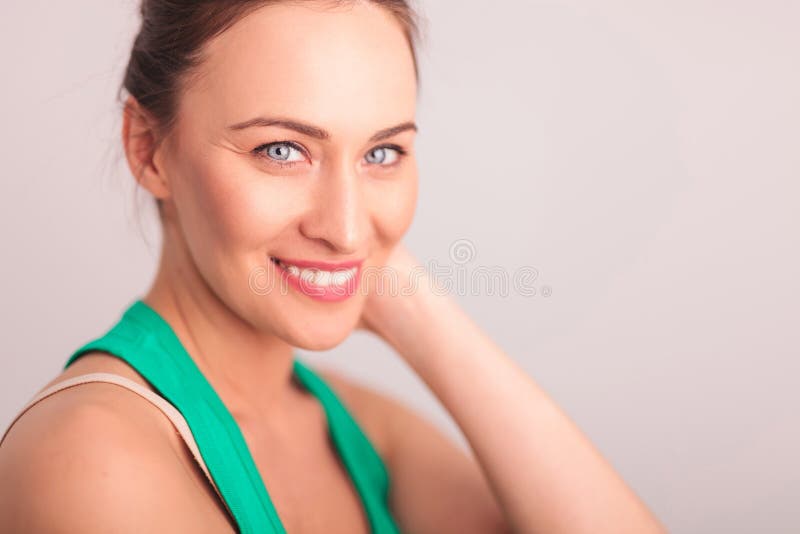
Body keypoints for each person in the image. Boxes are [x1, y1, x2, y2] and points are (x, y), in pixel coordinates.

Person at [0, 1, 667, 532]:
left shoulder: (363, 431)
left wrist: (422, 317)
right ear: (149, 151)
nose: (346, 228)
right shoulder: (89, 461)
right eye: (283, 150)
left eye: (382, 155)